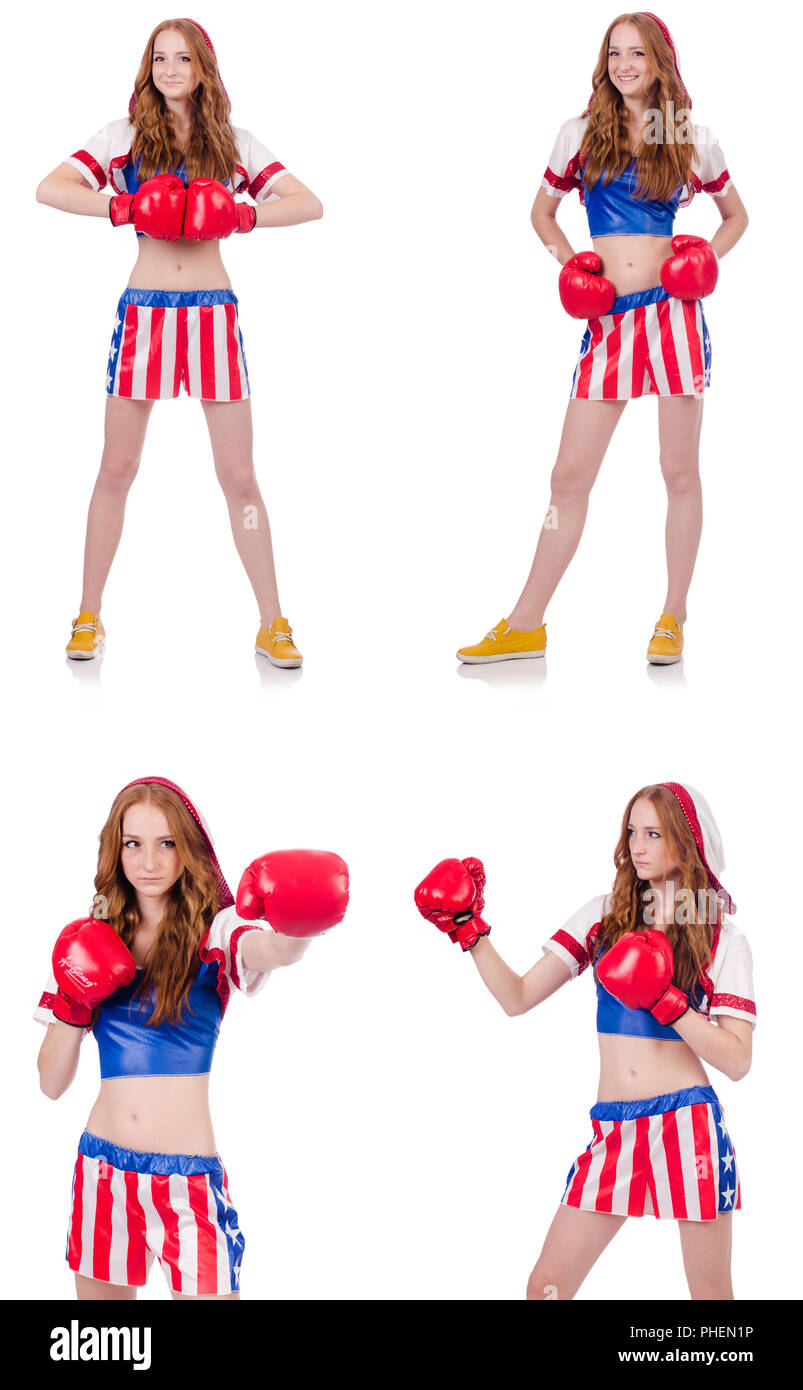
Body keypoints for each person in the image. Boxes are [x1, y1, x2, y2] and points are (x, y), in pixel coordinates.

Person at [457, 13, 748, 667]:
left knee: (677, 472)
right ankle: (525, 623)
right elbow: (539, 212)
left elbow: (736, 216)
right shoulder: (579, 132)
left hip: (673, 315)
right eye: (613, 54)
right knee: (566, 476)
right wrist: (567, 260)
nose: (622, 64)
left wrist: (705, 257)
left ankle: (672, 616)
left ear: (659, 62)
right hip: (609, 321)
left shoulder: (689, 136)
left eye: (635, 53)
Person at [36, 18, 323, 668]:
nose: (170, 70)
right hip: (144, 314)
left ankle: (273, 622)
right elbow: (50, 188)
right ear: (149, 69)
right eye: (159, 59)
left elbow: (308, 203)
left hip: (212, 315)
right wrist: (124, 207)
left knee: (240, 478)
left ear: (202, 69)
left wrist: (244, 214)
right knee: (116, 469)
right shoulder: (122, 137)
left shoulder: (234, 145)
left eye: (182, 59)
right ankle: (88, 614)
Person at [414, 782, 755, 1300]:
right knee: (546, 1287)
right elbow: (519, 997)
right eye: (632, 832)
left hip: (688, 1126)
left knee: (710, 1298)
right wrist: (470, 931)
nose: (638, 847)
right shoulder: (604, 916)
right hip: (614, 1126)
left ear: (685, 842)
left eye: (654, 834)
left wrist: (666, 999)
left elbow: (737, 1060)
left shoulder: (722, 936)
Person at [35, 775, 349, 1300]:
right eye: (133, 844)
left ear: (189, 849)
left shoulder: (217, 930)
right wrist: (72, 999)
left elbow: (270, 950)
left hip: (188, 1183)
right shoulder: (88, 938)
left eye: (167, 844)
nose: (150, 862)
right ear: (116, 848)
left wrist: (298, 926)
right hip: (103, 1170)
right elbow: (49, 1083)